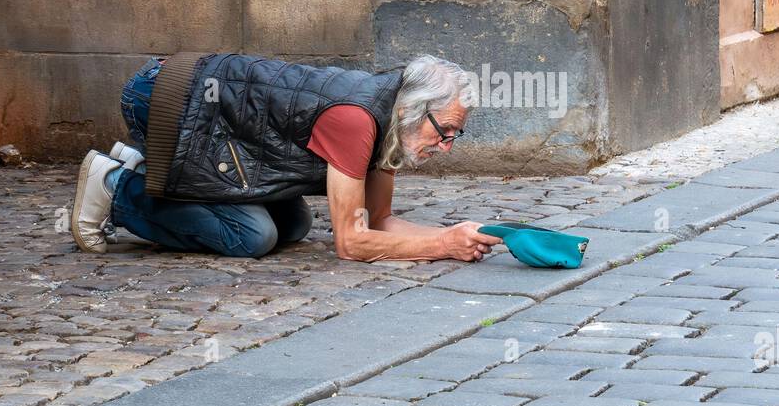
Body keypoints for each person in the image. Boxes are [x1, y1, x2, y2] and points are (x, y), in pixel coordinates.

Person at [69, 52, 501, 262]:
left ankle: (145, 165)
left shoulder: (392, 121)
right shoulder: (356, 120)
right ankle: (117, 186)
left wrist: (460, 233)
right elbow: (352, 243)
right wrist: (442, 246)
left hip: (214, 117)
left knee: (295, 224)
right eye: (443, 131)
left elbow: (380, 221)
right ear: (412, 108)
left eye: (454, 136)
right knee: (253, 237)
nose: (445, 146)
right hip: (166, 96)